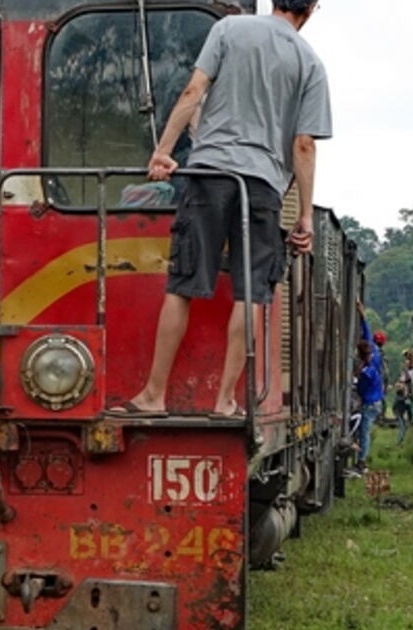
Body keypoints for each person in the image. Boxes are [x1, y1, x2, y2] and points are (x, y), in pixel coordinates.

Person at [110, 0, 330, 418]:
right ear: (312, 9)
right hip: (263, 186)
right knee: (250, 293)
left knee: (183, 285)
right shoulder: (310, 64)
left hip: (209, 173)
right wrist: (304, 217)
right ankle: (225, 399)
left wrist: (163, 151)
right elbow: (304, 144)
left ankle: (154, 396)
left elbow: (194, 91)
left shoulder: (230, 29)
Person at [354, 332, 384, 474]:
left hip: (369, 404)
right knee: (362, 432)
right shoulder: (374, 364)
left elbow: (361, 388)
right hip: (376, 403)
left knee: (363, 433)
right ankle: (360, 458)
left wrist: (357, 378)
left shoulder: (367, 372)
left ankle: (362, 461)